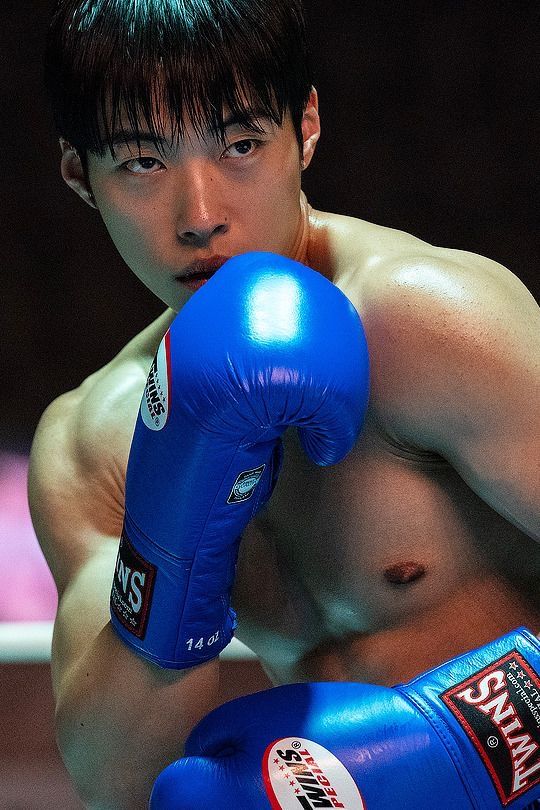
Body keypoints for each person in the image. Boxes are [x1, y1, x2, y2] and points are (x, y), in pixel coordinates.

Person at [28, 0, 540, 807]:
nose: (199, 217)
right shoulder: (93, 442)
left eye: (238, 146)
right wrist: (175, 528)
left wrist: (479, 747)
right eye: (141, 164)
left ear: (304, 128)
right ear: (78, 177)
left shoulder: (427, 322)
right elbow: (115, 781)